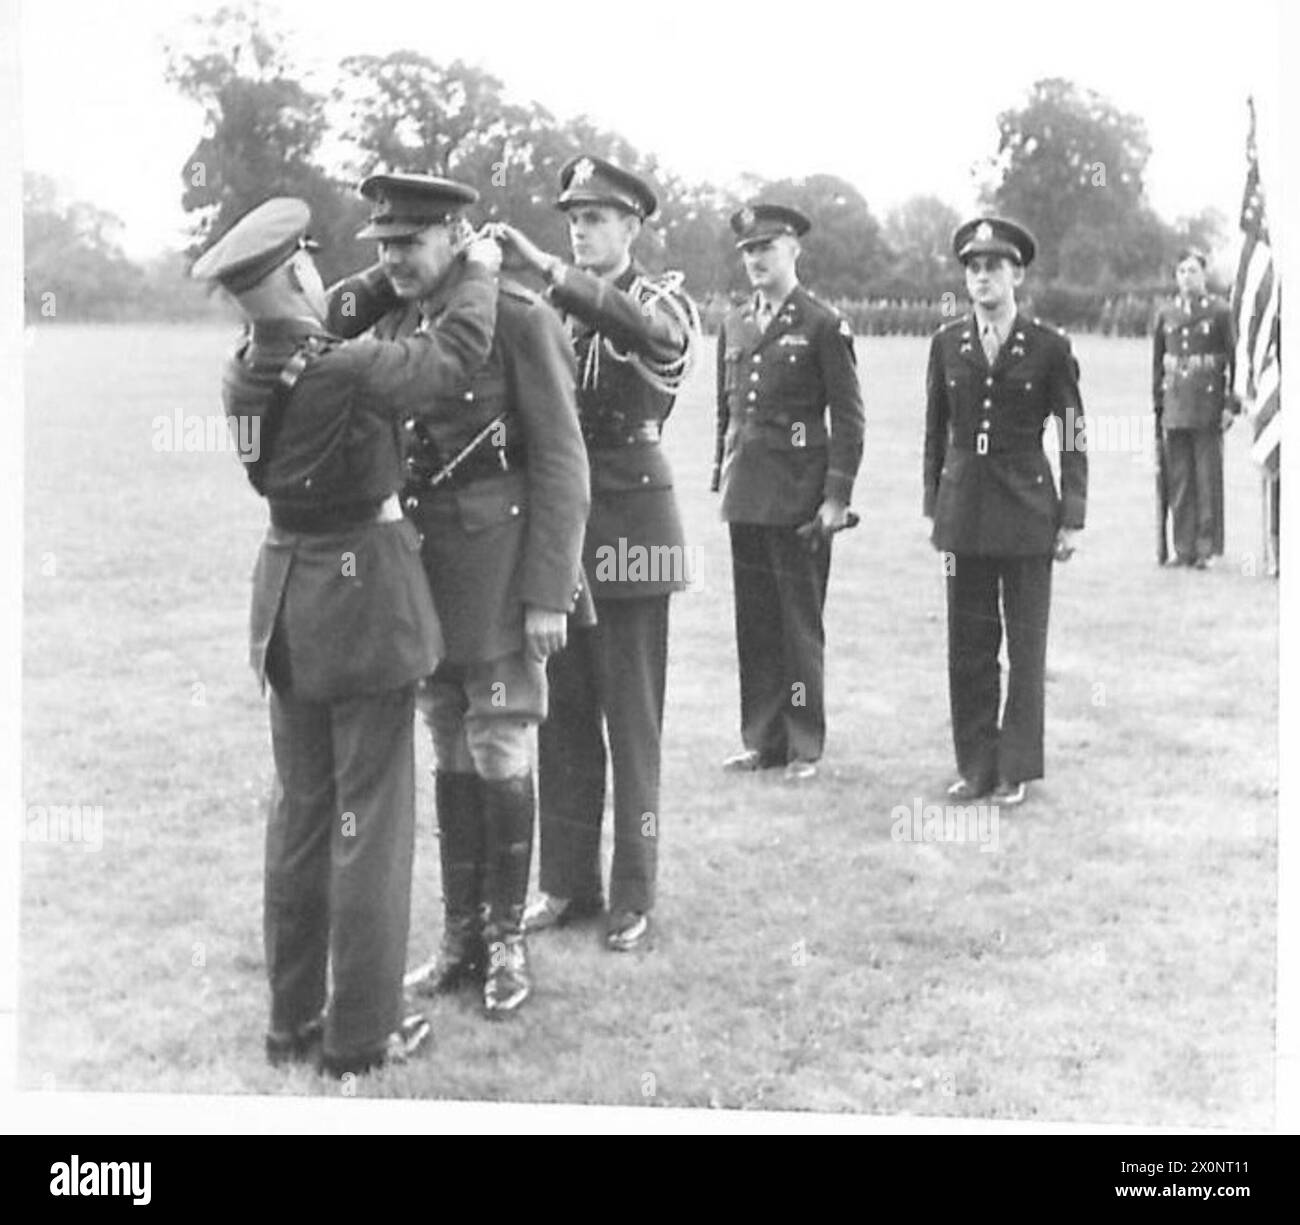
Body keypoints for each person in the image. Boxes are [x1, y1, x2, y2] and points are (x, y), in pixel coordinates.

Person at [192, 196, 501, 1075]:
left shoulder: (248, 368)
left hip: (289, 603)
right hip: (361, 603)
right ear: (295, 272)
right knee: (371, 823)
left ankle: (291, 1024)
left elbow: (332, 315)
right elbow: (449, 360)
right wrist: (470, 272)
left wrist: (391, 268)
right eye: (312, 265)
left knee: (300, 819)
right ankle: (362, 1034)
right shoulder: (341, 369)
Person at [326, 173, 590, 1017]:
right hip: (426, 569)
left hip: (508, 570)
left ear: (457, 236)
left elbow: (560, 460)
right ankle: (461, 935)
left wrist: (550, 589)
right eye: (384, 246)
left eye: (411, 243)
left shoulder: (517, 317)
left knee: (502, 740)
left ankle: (508, 940)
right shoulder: (400, 321)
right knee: (447, 742)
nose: (394, 259)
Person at [488, 155, 700, 952]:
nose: (581, 231)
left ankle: (633, 891)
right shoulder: (553, 304)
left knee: (631, 719)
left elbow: (649, 337)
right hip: (561, 534)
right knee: (563, 716)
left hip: (635, 531)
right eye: (573, 219)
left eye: (598, 218)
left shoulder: (660, 299)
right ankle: (566, 882)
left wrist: (545, 269)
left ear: (633, 227)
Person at [923, 216, 1087, 807]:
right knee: (968, 645)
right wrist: (933, 508)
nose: (983, 277)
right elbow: (935, 434)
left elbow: (1071, 432)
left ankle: (1015, 767)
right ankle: (975, 765)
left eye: (994, 266)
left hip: (1026, 511)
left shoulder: (1048, 347)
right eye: (973, 267)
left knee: (1025, 646)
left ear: (1017, 273)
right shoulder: (948, 344)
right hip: (964, 510)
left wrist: (1071, 516)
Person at [713, 203, 865, 783]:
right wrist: (718, 473)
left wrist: (836, 498)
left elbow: (848, 418)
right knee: (755, 625)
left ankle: (804, 744)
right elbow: (726, 408)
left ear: (794, 250)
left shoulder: (823, 323)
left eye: (766, 248)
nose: (755, 259)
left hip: (800, 498)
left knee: (798, 626)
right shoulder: (736, 322)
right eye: (748, 251)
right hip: (747, 492)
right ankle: (762, 739)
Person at [1153, 249, 1238, 568]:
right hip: (1174, 405)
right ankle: (1182, 547)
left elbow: (1234, 359)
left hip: (1207, 405)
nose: (1187, 277)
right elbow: (1157, 363)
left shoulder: (1219, 311)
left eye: (1193, 271)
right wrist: (1157, 406)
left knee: (1207, 478)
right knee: (1179, 479)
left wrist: (1231, 404)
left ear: (1204, 275)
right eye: (1181, 271)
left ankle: (1207, 548)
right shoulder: (1167, 313)